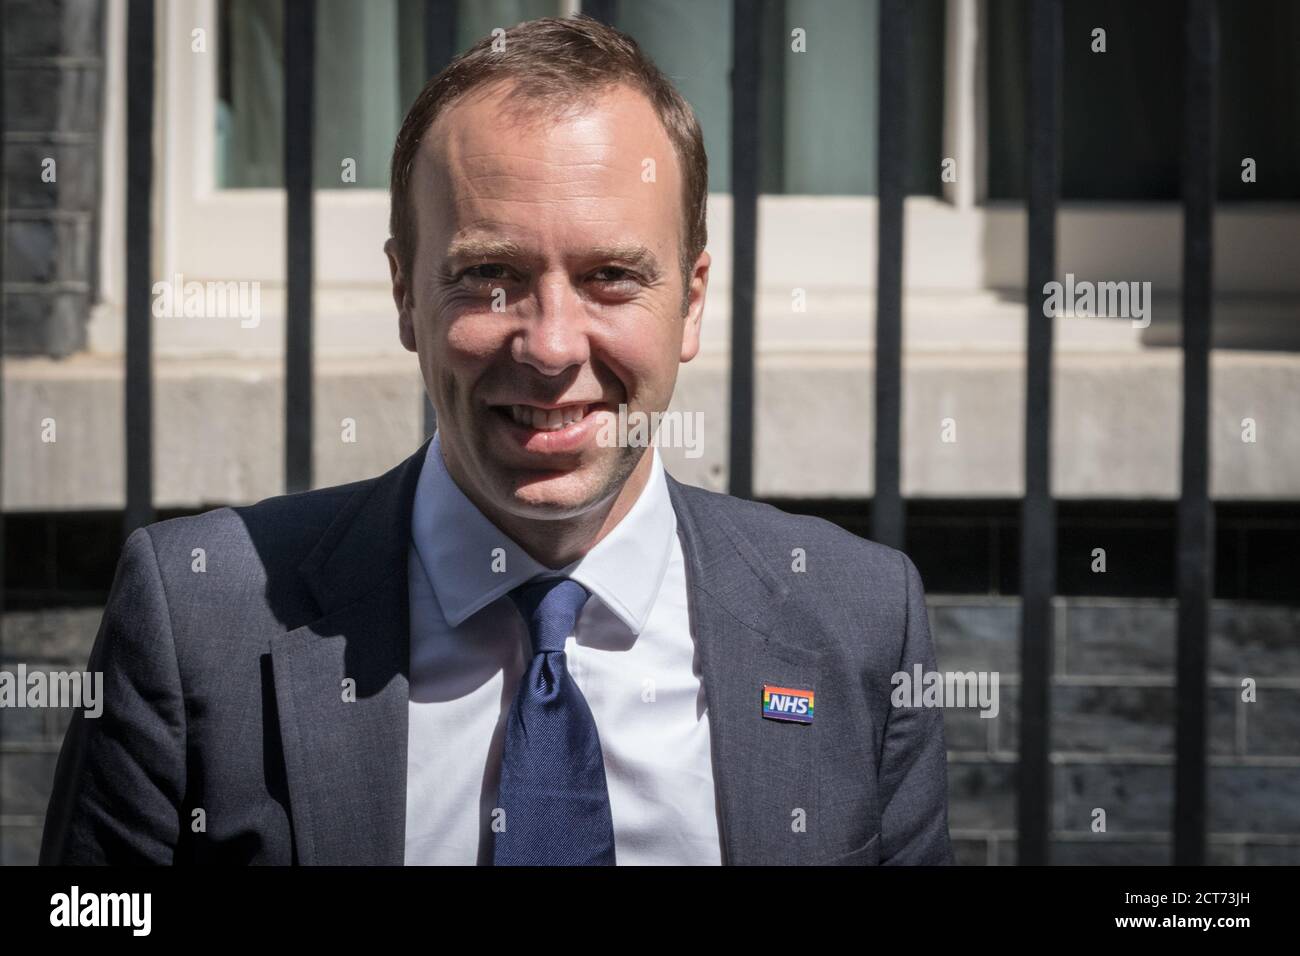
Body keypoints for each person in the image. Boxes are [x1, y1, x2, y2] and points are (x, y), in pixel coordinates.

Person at [40, 15, 953, 866]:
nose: (552, 345)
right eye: (489, 277)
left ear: (694, 301)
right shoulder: (199, 618)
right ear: (404, 294)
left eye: (610, 277)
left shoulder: (858, 621)